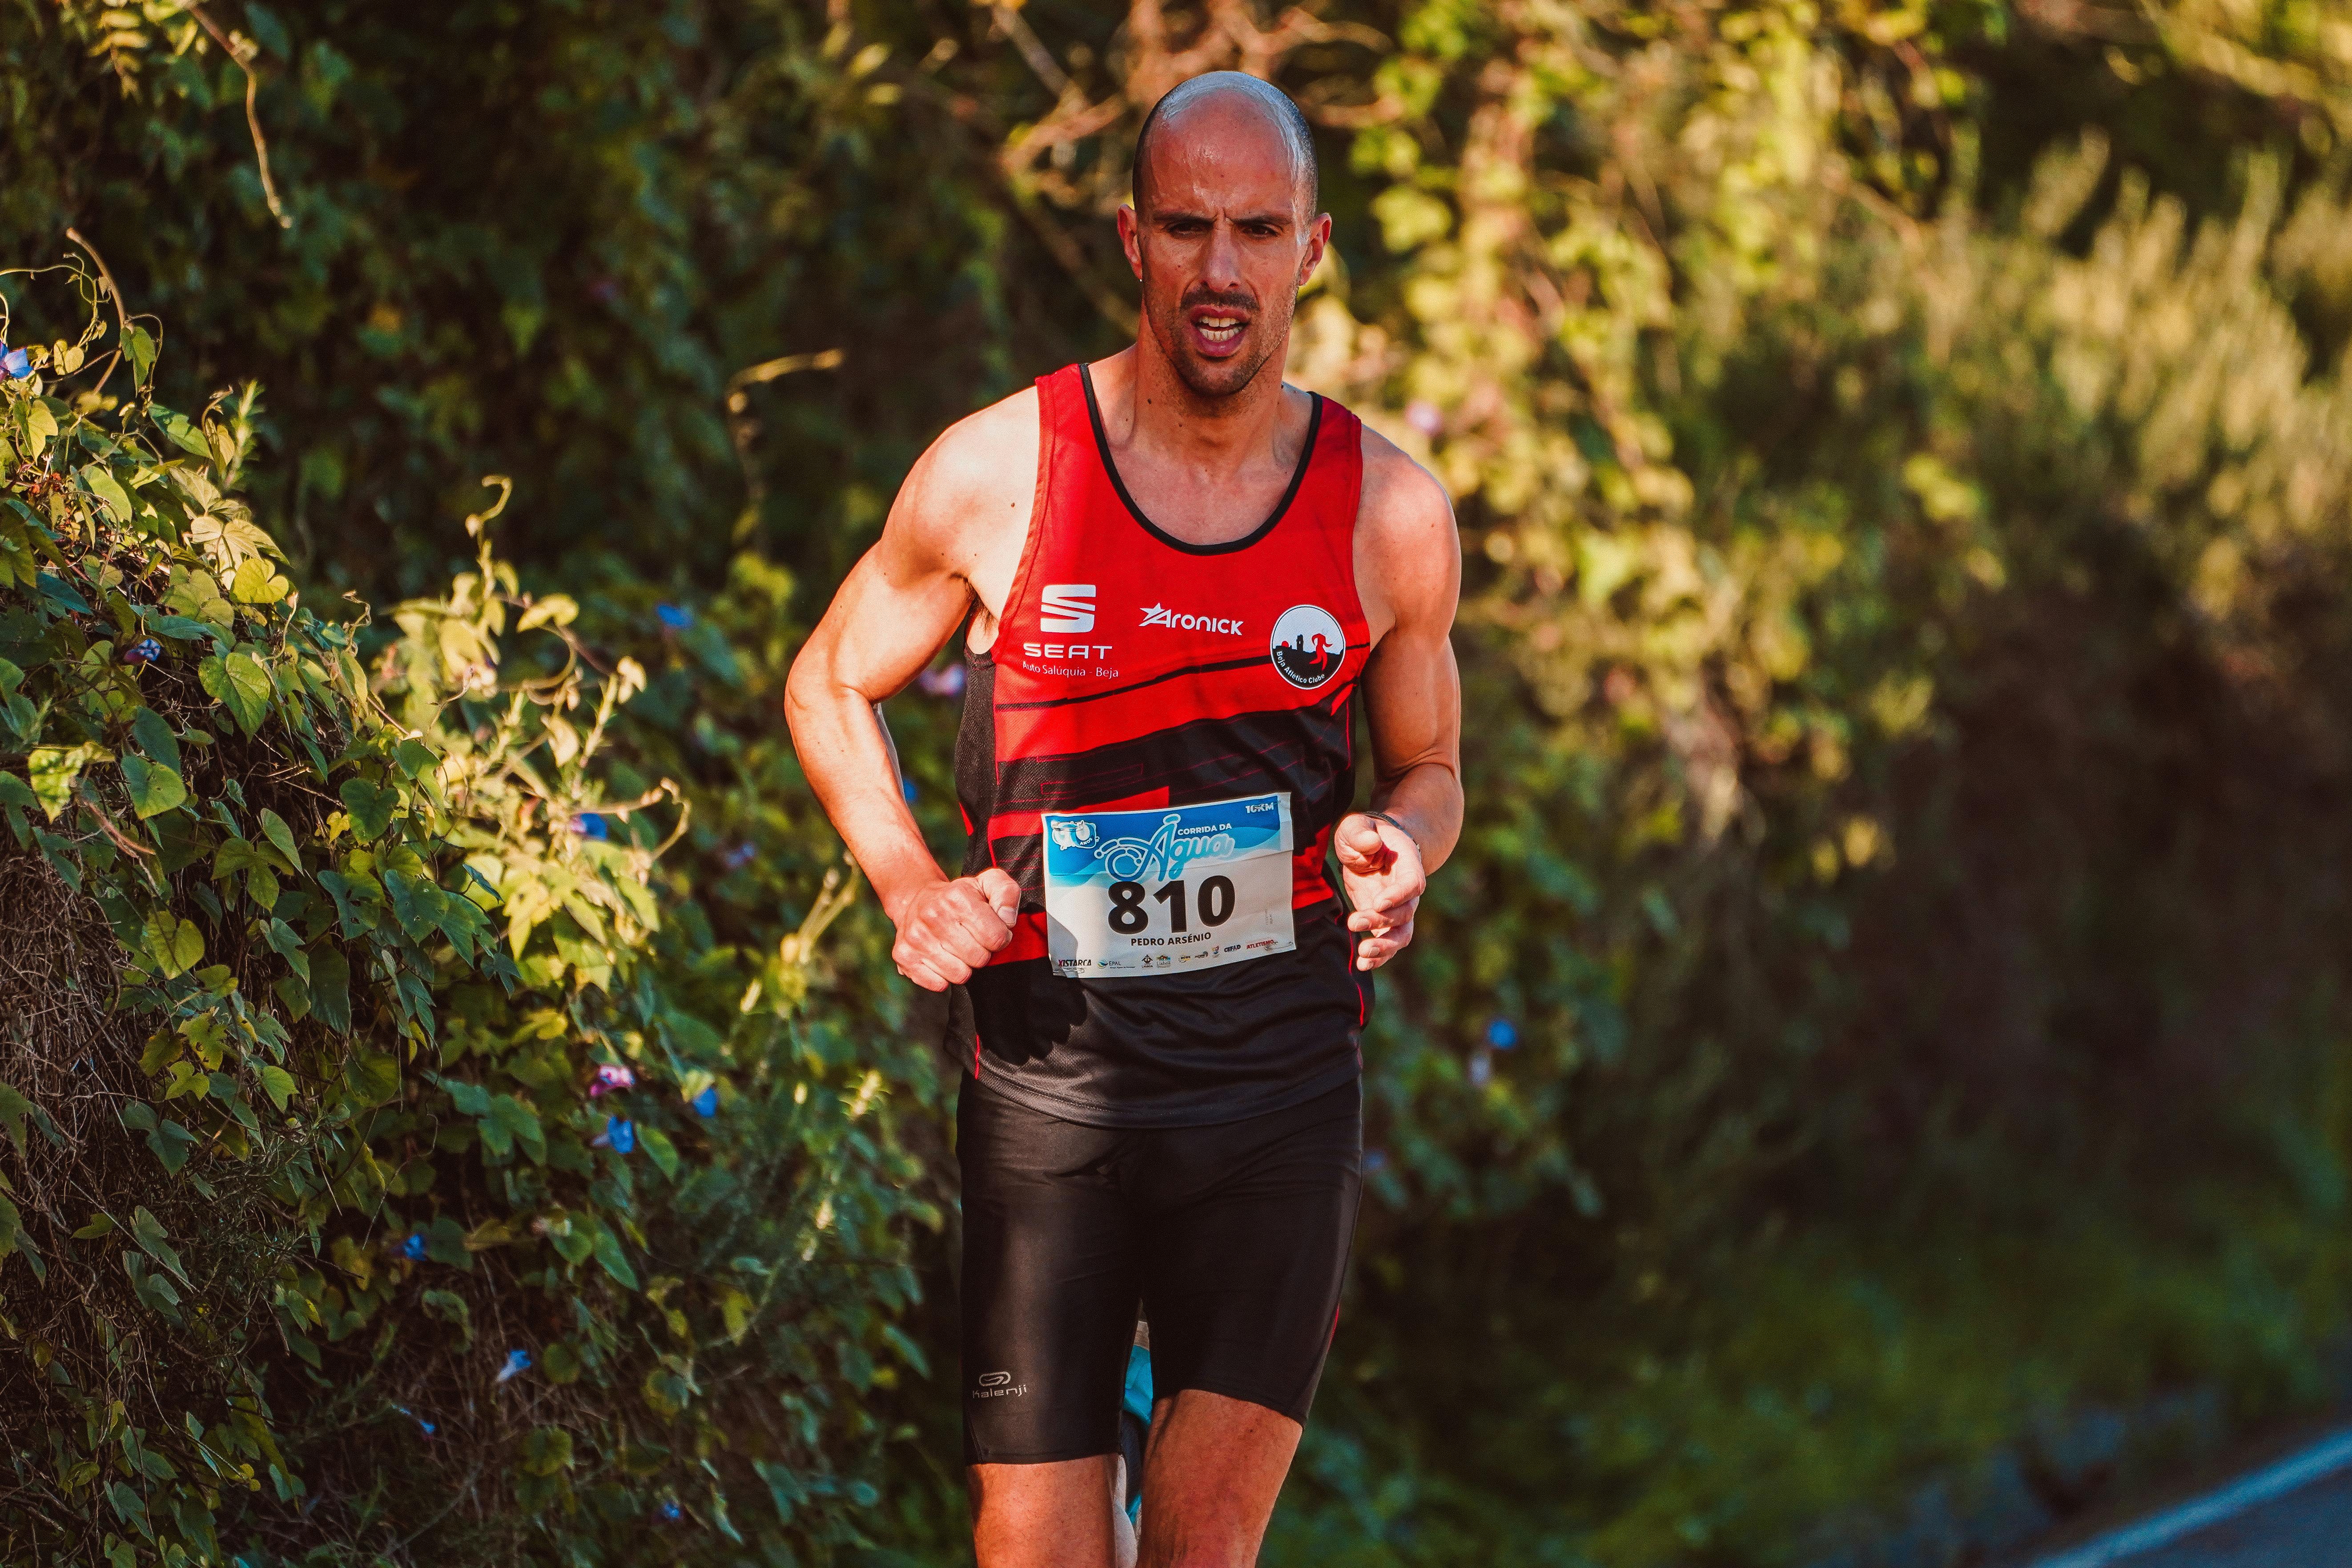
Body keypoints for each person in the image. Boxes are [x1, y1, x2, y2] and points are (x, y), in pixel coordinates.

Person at [785, 70, 1462, 1568]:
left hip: (1274, 1100)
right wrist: (908, 885)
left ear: (1314, 245)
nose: (1221, 270)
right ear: (1131, 241)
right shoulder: (999, 471)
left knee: (1202, 1552)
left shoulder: (1387, 512)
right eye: (1186, 228)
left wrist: (1402, 846)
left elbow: (1431, 768)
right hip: (1048, 1098)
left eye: (1256, 231)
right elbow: (829, 684)